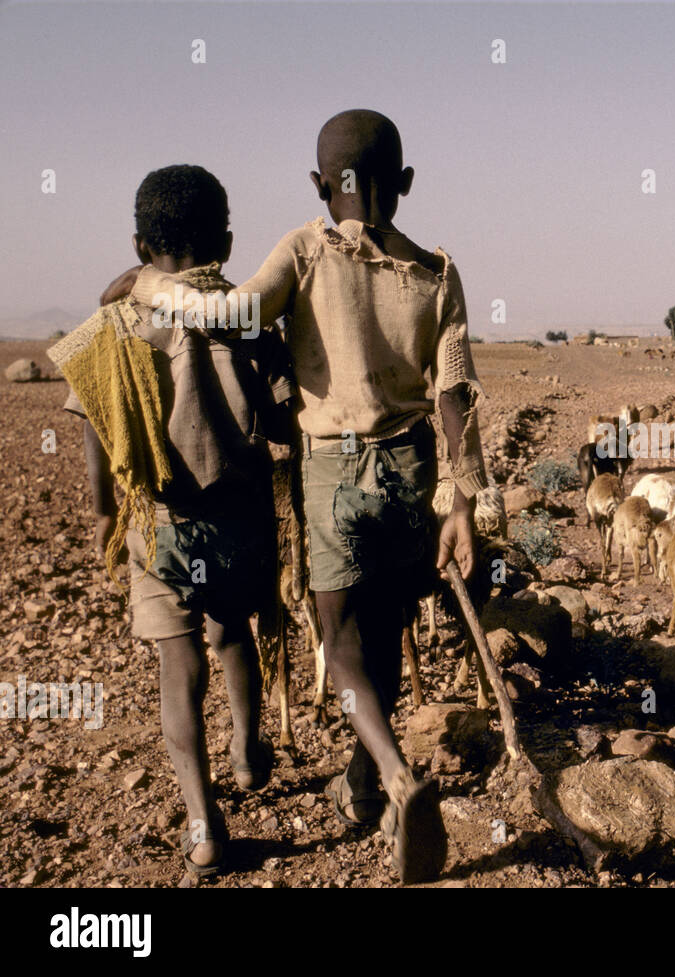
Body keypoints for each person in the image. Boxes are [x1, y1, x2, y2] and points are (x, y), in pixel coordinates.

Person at [115, 110, 489, 884]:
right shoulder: (439, 274)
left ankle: (391, 772)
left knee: (342, 648)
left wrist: (151, 284)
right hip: (411, 471)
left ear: (321, 188)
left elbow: (231, 314)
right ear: (407, 185)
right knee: (383, 633)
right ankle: (358, 783)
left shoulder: (304, 249)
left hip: (334, 473)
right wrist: (463, 502)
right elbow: (456, 393)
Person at [51, 164, 295, 879]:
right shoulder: (248, 315)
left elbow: (99, 438)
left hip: (157, 526)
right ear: (225, 236)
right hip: (241, 519)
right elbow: (282, 419)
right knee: (236, 632)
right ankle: (249, 753)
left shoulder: (108, 328)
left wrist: (103, 514)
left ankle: (204, 823)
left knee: (177, 664)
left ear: (137, 242)